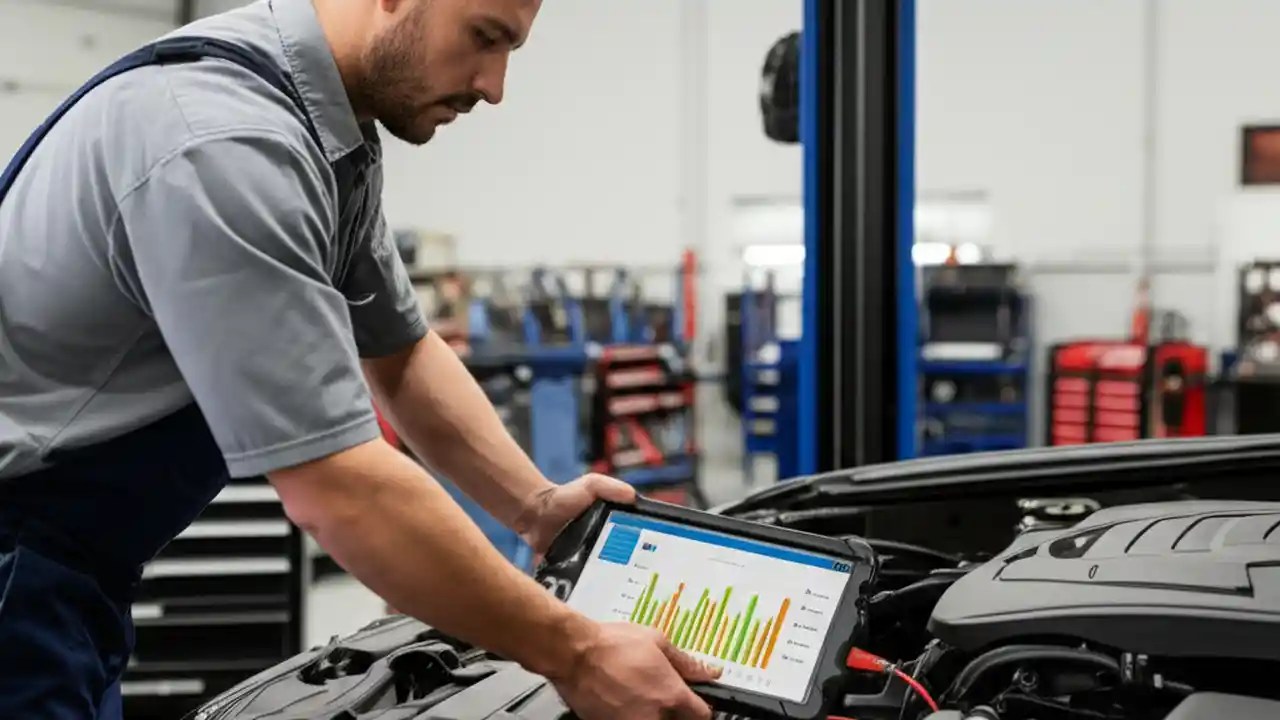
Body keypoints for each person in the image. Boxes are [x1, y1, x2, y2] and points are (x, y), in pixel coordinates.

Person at [0, 0, 719, 718]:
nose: (495, 86)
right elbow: (340, 487)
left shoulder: (323, 126)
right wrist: (578, 653)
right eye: (485, 37)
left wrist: (535, 510)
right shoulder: (224, 140)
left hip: (68, 579)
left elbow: (400, 350)